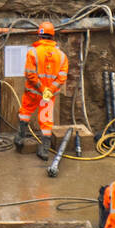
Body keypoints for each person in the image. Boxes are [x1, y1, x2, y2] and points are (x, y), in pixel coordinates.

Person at [15, 21, 68, 161]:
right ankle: (44, 150)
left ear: (40, 35)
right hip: (48, 96)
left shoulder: (33, 52)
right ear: (53, 36)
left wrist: (42, 88)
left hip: (33, 92)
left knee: (25, 112)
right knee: (46, 121)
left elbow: (30, 74)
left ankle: (20, 139)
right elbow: (62, 77)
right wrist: (49, 90)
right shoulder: (61, 55)